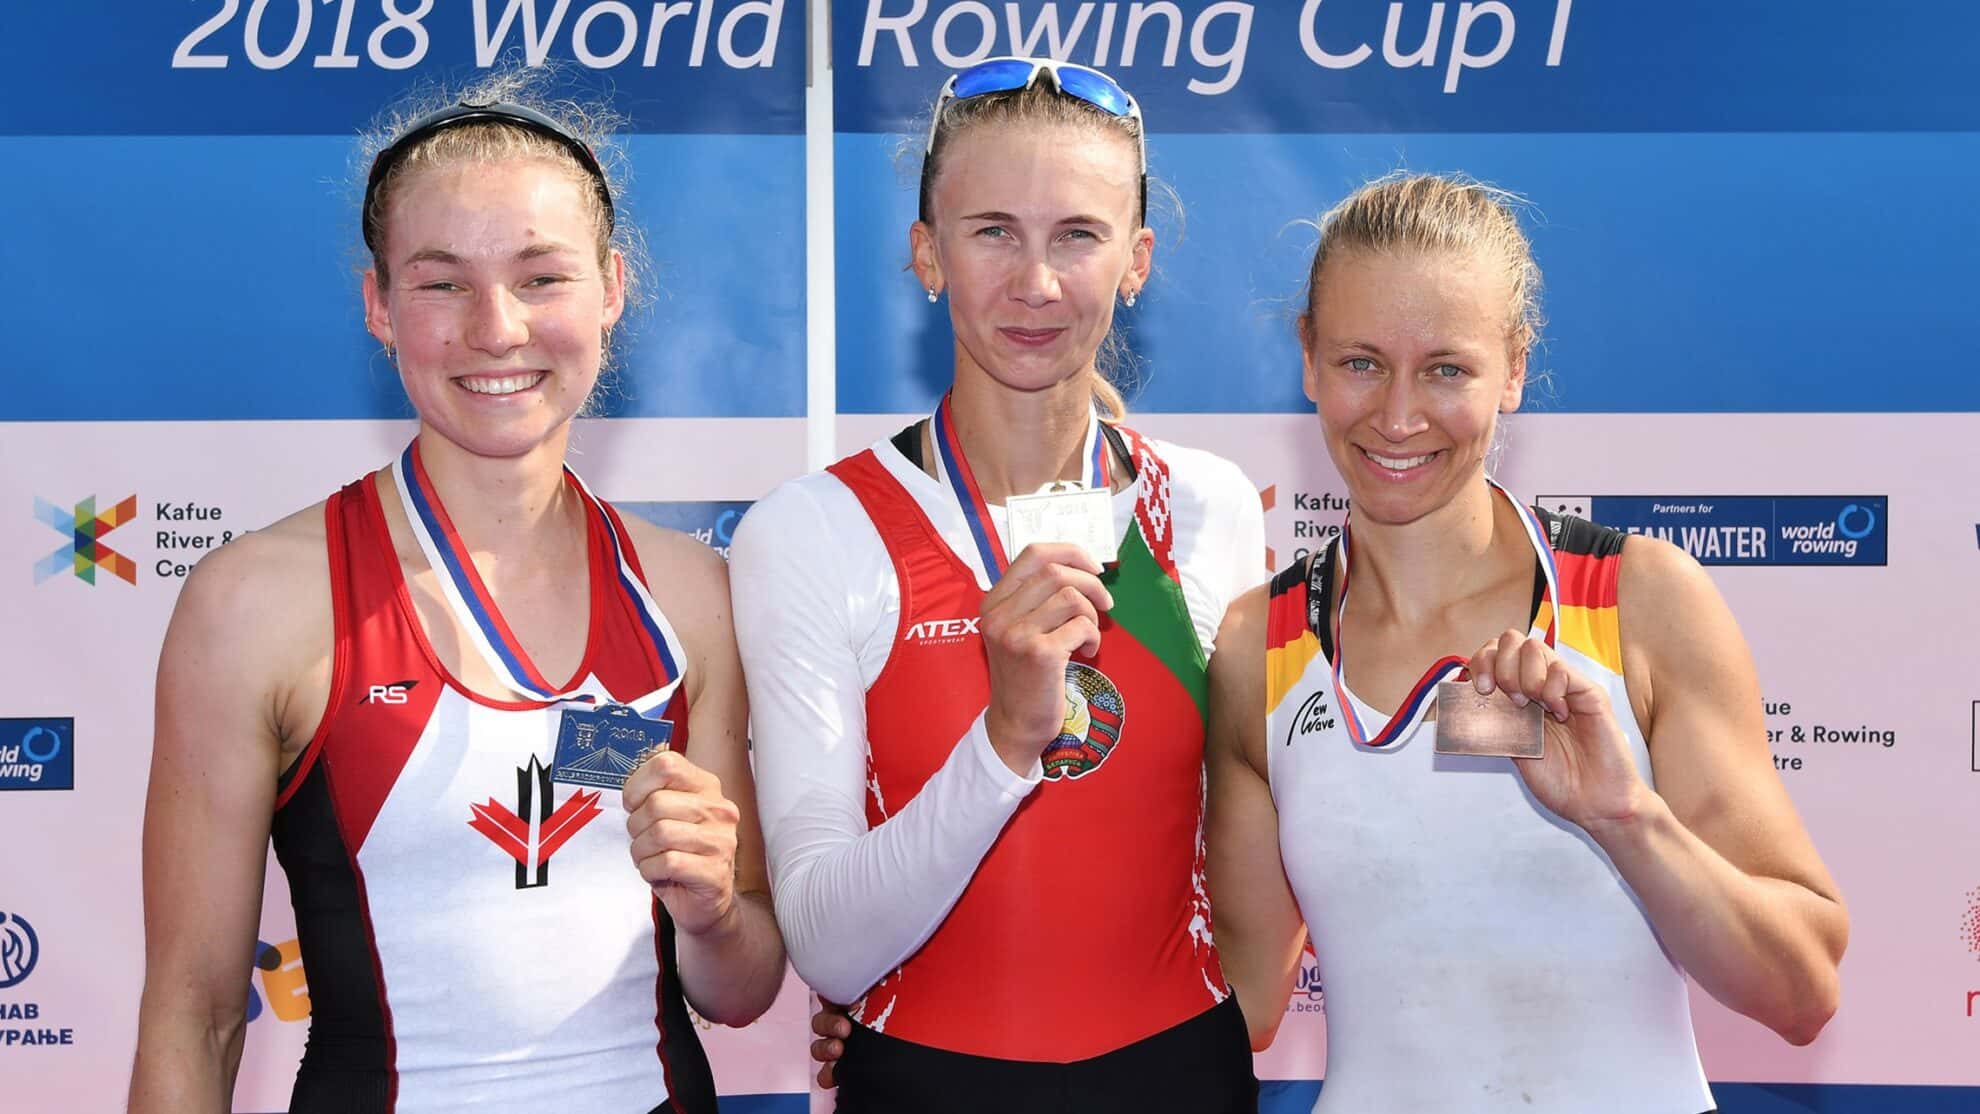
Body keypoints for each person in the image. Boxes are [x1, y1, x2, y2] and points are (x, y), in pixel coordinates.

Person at [127, 76, 785, 1114]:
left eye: (541, 276)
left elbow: (743, 989)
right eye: (441, 284)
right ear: (379, 305)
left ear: (611, 289)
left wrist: (710, 912)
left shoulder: (689, 590)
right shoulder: (255, 602)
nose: (496, 327)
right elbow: (193, 1012)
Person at [1206, 173, 1849, 1112]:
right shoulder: (1253, 645)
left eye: (1447, 369)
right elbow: (1248, 999)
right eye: (1360, 362)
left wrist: (1626, 816)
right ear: (1307, 357)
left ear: (1513, 367)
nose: (1396, 415)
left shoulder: (1638, 599)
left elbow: (1800, 994)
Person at [730, 58, 1263, 1113]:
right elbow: (830, 946)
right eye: (991, 232)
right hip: (925, 1084)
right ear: (926, 255)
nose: (1037, 282)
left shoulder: (1213, 505)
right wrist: (1006, 741)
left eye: (1078, 234)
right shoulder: (815, 527)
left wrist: (1225, 1031)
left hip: (1180, 1074)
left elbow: (1260, 817)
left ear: (1137, 261)